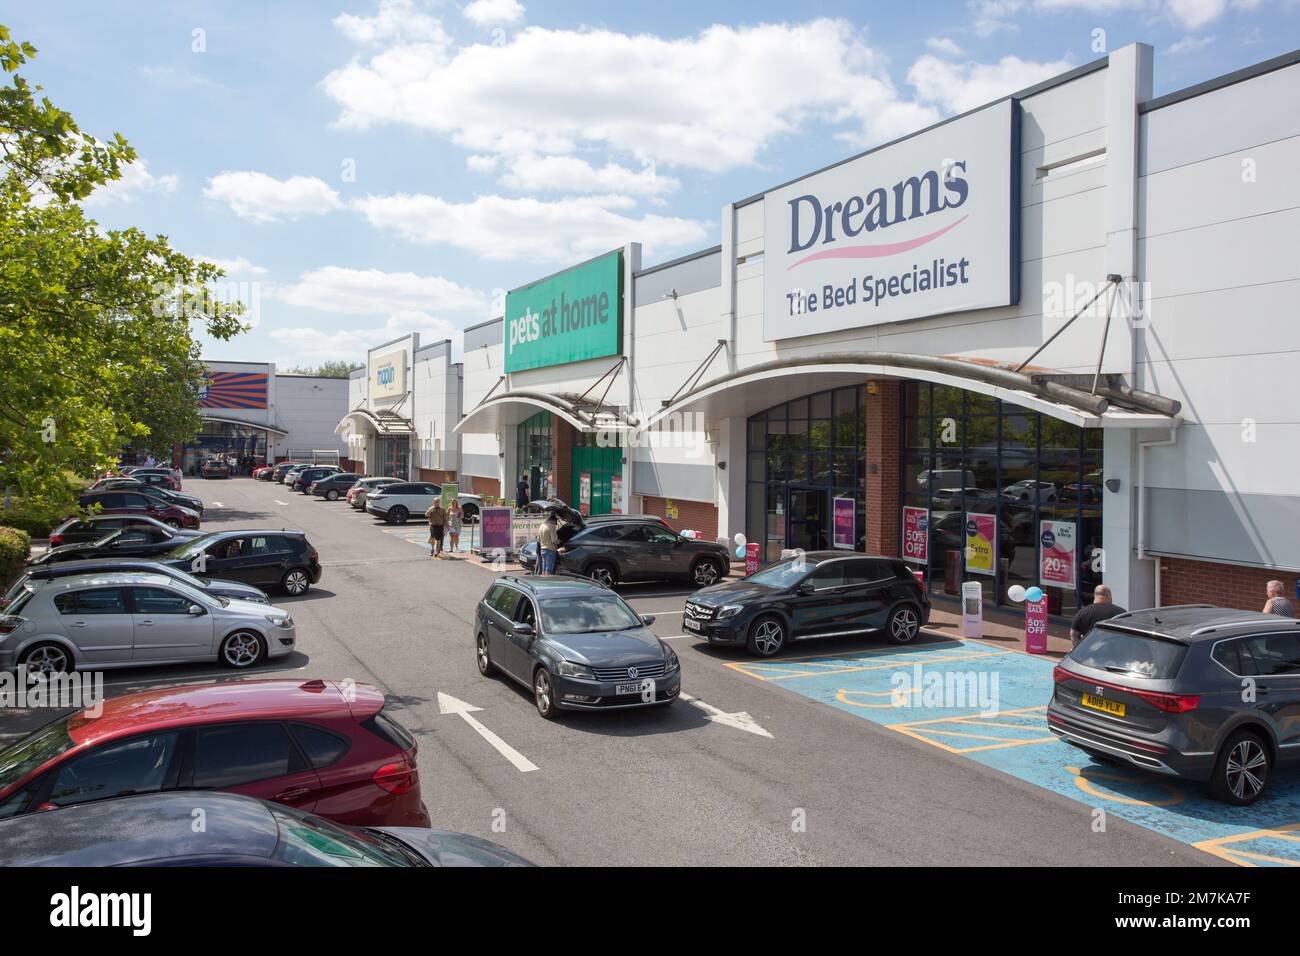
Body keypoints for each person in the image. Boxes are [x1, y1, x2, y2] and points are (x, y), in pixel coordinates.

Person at [1069, 583, 1127, 647]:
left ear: (1095, 596)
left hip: (1089, 652)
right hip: (1113, 652)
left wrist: (1080, 649)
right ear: (1108, 596)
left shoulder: (1082, 612)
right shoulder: (1121, 612)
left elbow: (1073, 634)